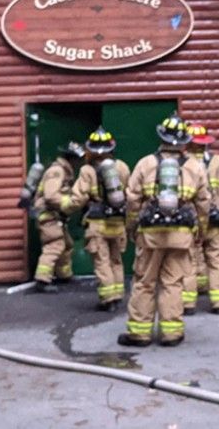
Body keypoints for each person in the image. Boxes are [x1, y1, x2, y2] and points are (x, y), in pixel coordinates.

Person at [118, 114, 209, 348]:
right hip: (181, 235)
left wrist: (131, 228)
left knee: (144, 282)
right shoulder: (195, 166)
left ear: (162, 137)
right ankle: (171, 334)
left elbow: (132, 201)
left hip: (150, 235)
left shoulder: (145, 163)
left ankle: (139, 334)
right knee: (173, 283)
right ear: (185, 142)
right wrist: (201, 231)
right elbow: (204, 203)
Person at [62, 126, 130, 311]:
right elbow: (129, 193)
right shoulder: (122, 167)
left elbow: (78, 198)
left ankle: (108, 299)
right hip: (117, 222)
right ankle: (117, 295)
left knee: (102, 262)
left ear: (90, 149)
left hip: (97, 224)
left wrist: (63, 207)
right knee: (116, 260)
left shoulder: (87, 170)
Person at [185, 123, 219, 314]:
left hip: (193, 220)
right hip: (216, 219)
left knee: (189, 259)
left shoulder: (184, 163)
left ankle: (189, 304)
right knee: (216, 259)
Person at [32, 141, 84, 293]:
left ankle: (64, 275)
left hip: (55, 216)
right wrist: (69, 203)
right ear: (71, 158)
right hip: (47, 215)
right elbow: (50, 195)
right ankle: (42, 279)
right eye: (77, 159)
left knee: (67, 244)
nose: (78, 162)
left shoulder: (65, 172)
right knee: (55, 245)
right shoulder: (57, 171)